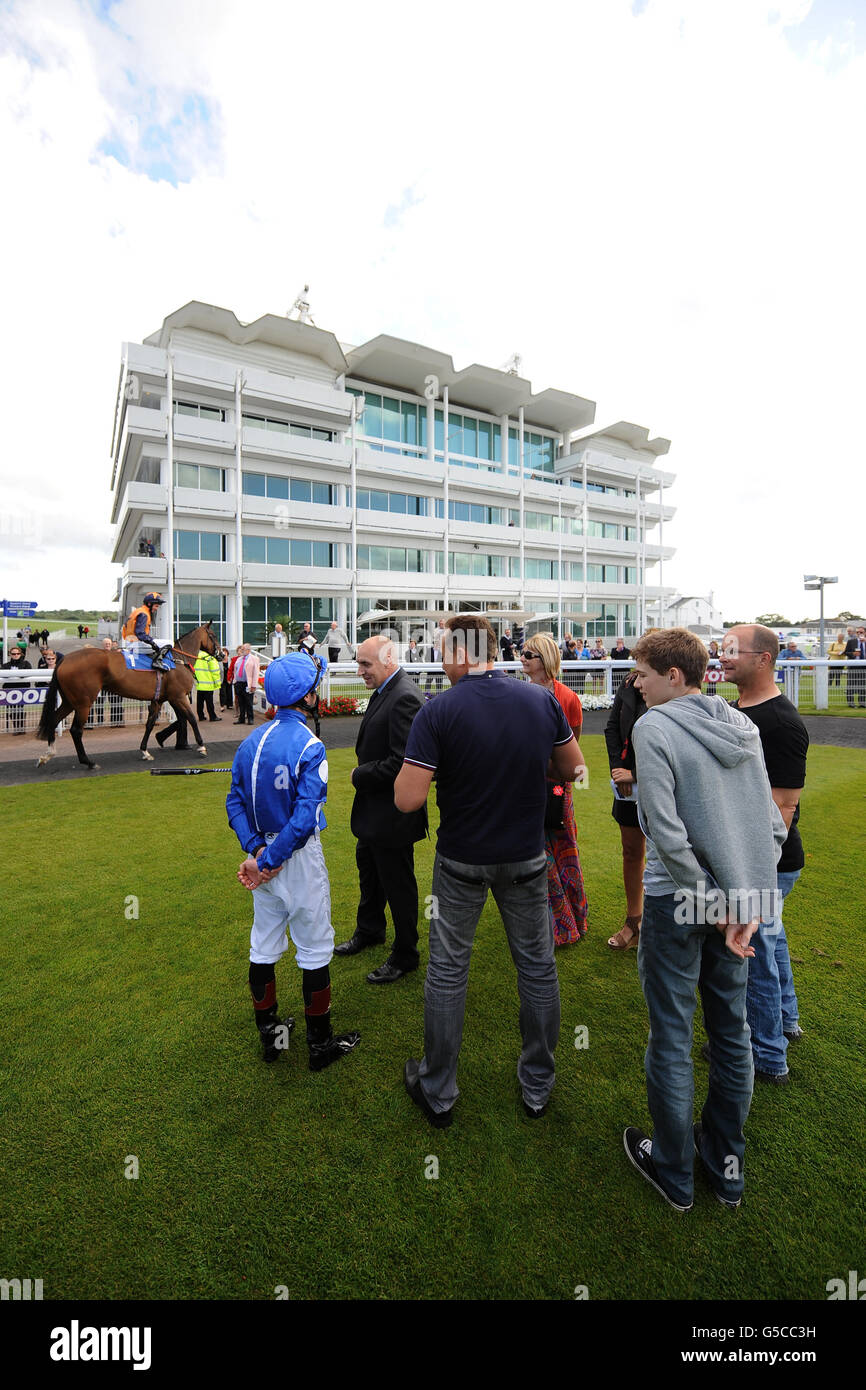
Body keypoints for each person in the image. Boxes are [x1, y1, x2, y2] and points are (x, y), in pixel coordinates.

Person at [394, 614, 584, 1128]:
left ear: (459, 651)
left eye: (440, 648)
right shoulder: (540, 700)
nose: (437, 656)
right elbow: (573, 768)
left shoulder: (438, 711)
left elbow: (408, 799)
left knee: (449, 970)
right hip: (525, 856)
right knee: (538, 969)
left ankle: (438, 1089)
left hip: (462, 861)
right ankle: (537, 1087)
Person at [624, 628, 786, 1212]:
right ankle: (725, 1168)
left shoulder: (654, 727)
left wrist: (719, 907)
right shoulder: (740, 724)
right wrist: (743, 903)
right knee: (729, 1031)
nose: (634, 683)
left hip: (680, 902)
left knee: (672, 1033)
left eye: (641, 673)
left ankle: (675, 1172)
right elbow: (773, 825)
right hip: (735, 906)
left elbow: (664, 834)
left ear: (674, 676)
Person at [226, 651, 360, 1069]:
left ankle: (271, 1037)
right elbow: (304, 819)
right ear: (309, 697)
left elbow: (234, 801)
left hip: (262, 855)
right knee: (315, 947)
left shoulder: (250, 741)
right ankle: (320, 1046)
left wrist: (257, 852)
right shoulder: (310, 745)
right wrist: (272, 857)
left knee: (264, 943)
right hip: (295, 858)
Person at [721, 625, 809, 1082]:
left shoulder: (782, 722)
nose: (724, 655)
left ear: (765, 659)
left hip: (767, 862)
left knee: (754, 949)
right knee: (772, 940)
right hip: (760, 861)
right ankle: (787, 1021)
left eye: (733, 650)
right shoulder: (738, 710)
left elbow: (784, 807)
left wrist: (749, 871)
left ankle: (768, 1055)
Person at [334, 636, 427, 983]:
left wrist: (360, 774)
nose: (360, 671)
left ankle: (406, 954)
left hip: (393, 815)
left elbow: (405, 763)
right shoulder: (391, 690)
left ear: (388, 660)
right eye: (359, 663)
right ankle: (370, 930)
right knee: (370, 874)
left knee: (397, 884)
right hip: (375, 812)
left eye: (365, 664)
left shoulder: (404, 696)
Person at [520, 633, 588, 947]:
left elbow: (571, 749)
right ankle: (553, 923)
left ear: (544, 659)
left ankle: (572, 918)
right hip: (524, 786)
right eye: (522, 653)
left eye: (529, 654)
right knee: (537, 853)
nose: (522, 658)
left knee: (563, 850)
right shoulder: (516, 694)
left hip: (556, 786)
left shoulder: (568, 698)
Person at [604, 667, 648, 950]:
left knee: (669, 856)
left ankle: (663, 928)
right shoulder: (630, 683)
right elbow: (611, 728)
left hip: (662, 786)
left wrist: (636, 772)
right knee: (632, 851)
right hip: (627, 788)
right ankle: (634, 921)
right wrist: (619, 769)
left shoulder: (679, 687)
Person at [121, 593, 170, 670]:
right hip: (136, 644)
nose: (156, 608)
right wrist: (152, 643)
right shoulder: (144, 614)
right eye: (156, 606)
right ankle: (157, 662)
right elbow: (140, 633)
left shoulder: (138, 611)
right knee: (169, 643)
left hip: (130, 642)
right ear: (149, 604)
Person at [2, 644, 33, 734]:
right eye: (13, 654)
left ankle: (21, 728)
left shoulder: (26, 663)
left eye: (17, 654)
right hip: (10, 690)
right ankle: (17, 729)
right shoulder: (5, 665)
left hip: (22, 689)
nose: (16, 655)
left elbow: (26, 673)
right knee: (12, 709)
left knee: (20, 708)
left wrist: (13, 675)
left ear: (20, 654)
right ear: (10, 655)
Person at [232, 643, 260, 725]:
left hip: (248, 684)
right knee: (241, 702)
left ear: (248, 650)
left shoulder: (254, 659)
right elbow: (235, 670)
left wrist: (254, 685)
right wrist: (235, 681)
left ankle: (250, 718)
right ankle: (241, 718)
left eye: (243, 649)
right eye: (241, 649)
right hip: (239, 683)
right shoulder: (239, 659)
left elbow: (256, 673)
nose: (241, 650)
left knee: (249, 702)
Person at [194, 645, 222, 723]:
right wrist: (218, 683)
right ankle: (212, 717)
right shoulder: (210, 658)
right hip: (208, 685)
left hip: (200, 684)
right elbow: (215, 672)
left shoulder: (196, 657)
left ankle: (201, 716)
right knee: (209, 703)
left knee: (200, 702)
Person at [844, 625, 866, 708]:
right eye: (858, 632)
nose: (859, 634)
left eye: (861, 632)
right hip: (853, 665)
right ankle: (851, 702)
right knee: (851, 684)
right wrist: (853, 654)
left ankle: (862, 702)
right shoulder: (851, 641)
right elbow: (846, 652)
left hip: (864, 665)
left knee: (863, 684)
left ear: (865, 633)